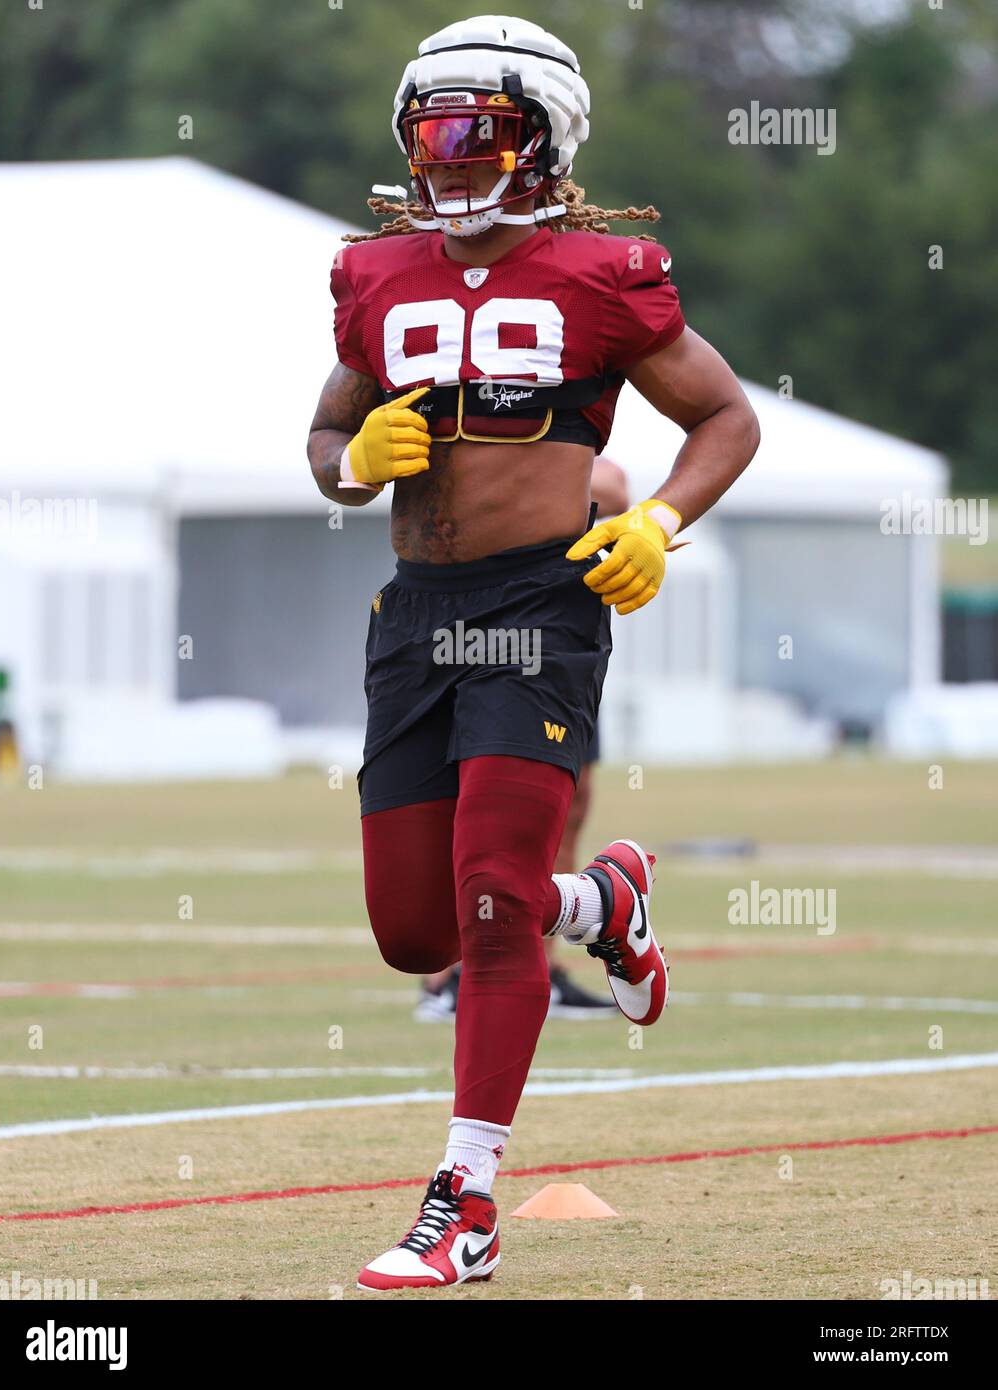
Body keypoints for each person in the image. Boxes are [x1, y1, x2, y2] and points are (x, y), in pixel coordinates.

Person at [307, 15, 759, 1291]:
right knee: (414, 932)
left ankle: (465, 1201)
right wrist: (349, 470)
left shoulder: (602, 274)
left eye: (476, 133)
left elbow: (723, 414)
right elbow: (325, 433)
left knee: (494, 893)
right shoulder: (375, 275)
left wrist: (659, 524)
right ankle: (605, 904)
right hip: (415, 612)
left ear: (545, 138)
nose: (446, 159)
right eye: (429, 134)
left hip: (538, 608)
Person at [415, 456, 629, 1023]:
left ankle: (538, 964)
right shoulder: (469, 413)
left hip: (555, 630)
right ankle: (457, 970)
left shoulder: (563, 413)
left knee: (566, 804)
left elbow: (615, 493)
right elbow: (608, 489)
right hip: (486, 627)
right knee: (475, 802)